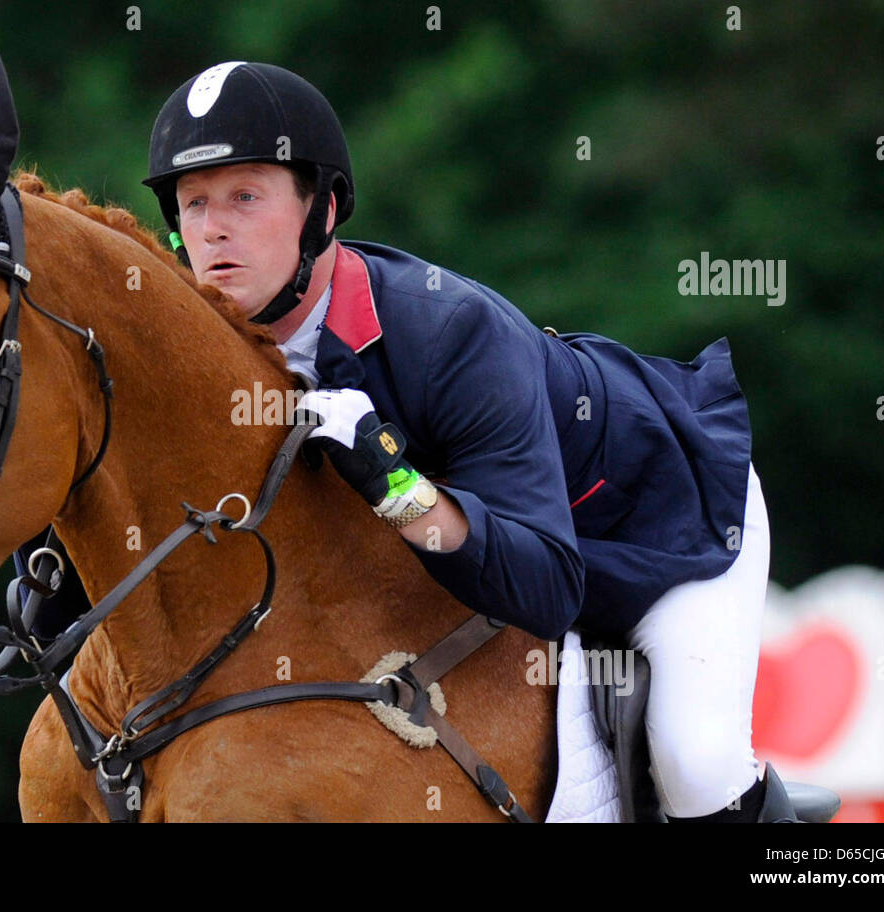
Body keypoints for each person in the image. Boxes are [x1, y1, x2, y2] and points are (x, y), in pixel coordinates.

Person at [139, 62, 804, 823]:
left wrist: (394, 485)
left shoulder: (451, 333)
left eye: (245, 197)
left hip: (658, 515)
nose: (213, 230)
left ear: (321, 210)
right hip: (499, 551)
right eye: (194, 204)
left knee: (695, 760)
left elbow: (548, 590)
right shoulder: (207, 359)